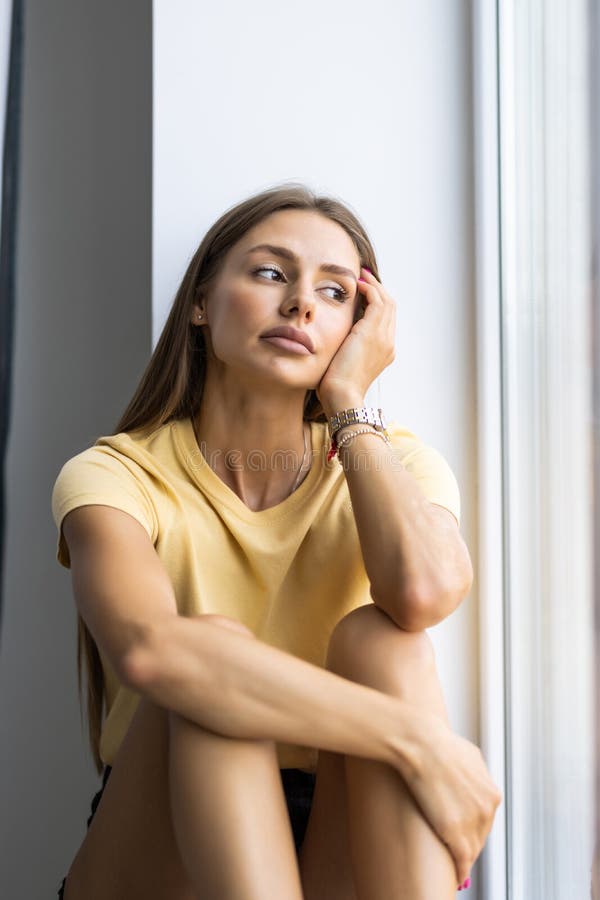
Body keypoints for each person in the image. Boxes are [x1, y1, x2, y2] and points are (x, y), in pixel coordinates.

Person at [51, 182, 501, 899]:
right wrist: (417, 742)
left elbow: (424, 593)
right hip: (161, 834)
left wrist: (349, 404)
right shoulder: (117, 473)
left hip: (343, 828)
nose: (300, 304)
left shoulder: (395, 463)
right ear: (201, 303)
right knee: (204, 666)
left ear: (359, 328)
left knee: (385, 641)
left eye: (333, 292)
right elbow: (148, 650)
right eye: (270, 273)